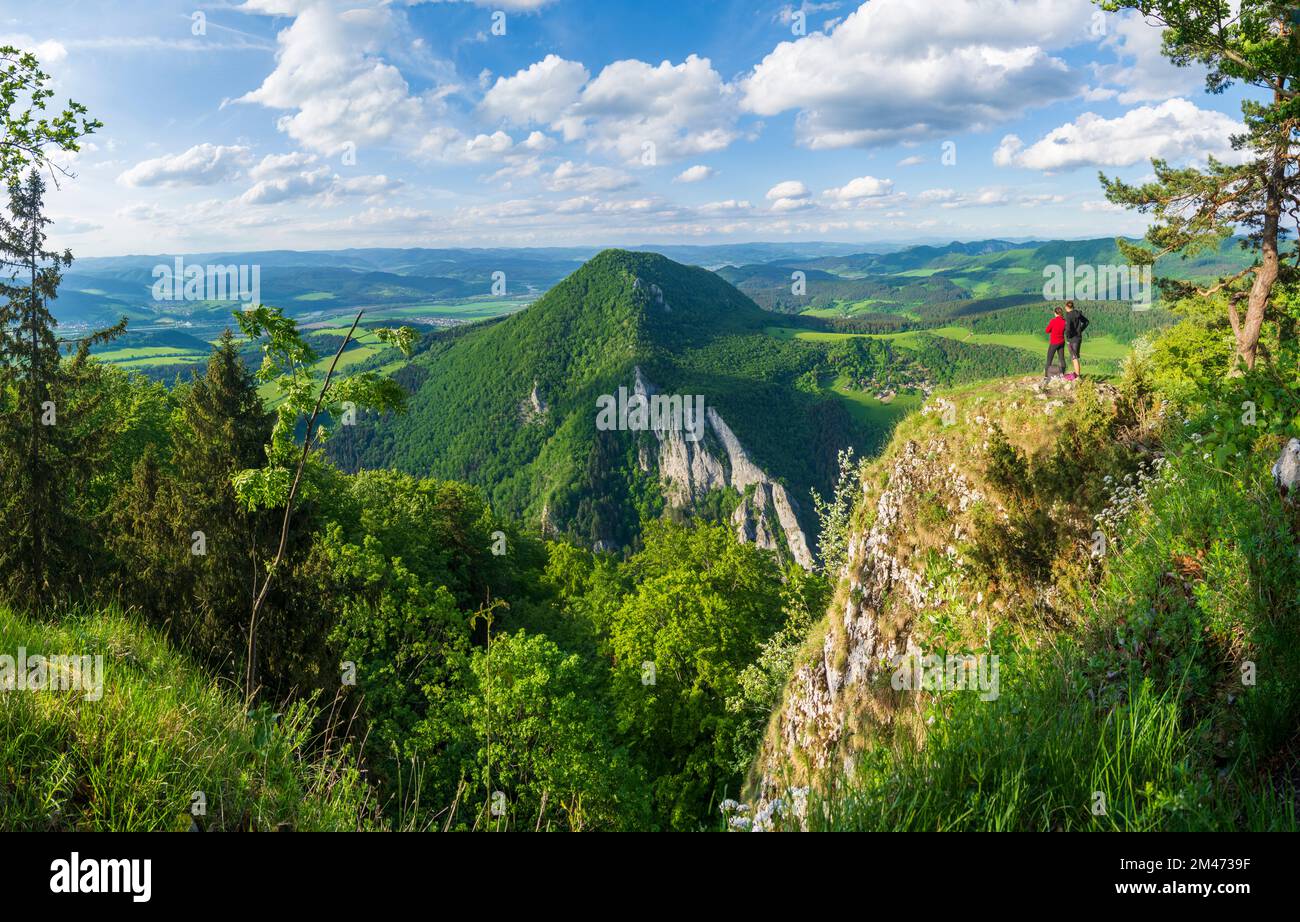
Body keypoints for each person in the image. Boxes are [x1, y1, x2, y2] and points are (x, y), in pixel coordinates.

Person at [1062, 299, 1089, 381]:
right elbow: (1086, 322)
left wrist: (1068, 337)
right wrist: (1080, 330)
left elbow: (1068, 328)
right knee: (1075, 357)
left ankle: (1077, 376)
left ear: (1067, 307)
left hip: (1072, 339)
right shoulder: (1078, 314)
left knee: (1074, 357)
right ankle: (1077, 374)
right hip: (1078, 338)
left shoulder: (1068, 315)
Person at [1044, 304, 1066, 383]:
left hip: (1054, 343)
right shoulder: (1064, 321)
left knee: (1049, 360)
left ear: (1055, 313)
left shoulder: (1053, 321)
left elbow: (1047, 330)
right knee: (1061, 359)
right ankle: (1062, 375)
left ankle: (1046, 377)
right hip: (1061, 342)